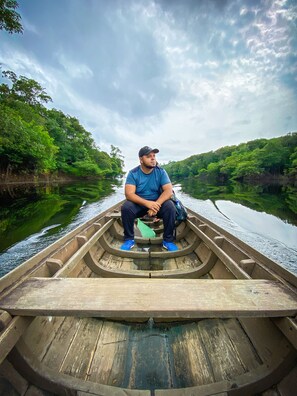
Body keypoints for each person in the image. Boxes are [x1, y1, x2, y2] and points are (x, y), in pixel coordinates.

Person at [121, 146, 178, 251]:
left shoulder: (161, 172)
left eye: (154, 156)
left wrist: (154, 206)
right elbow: (129, 194)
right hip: (139, 205)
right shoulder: (133, 173)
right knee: (126, 207)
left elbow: (168, 191)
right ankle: (129, 239)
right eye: (149, 156)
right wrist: (147, 204)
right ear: (141, 160)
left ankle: (168, 240)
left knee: (170, 206)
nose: (153, 159)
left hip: (157, 204)